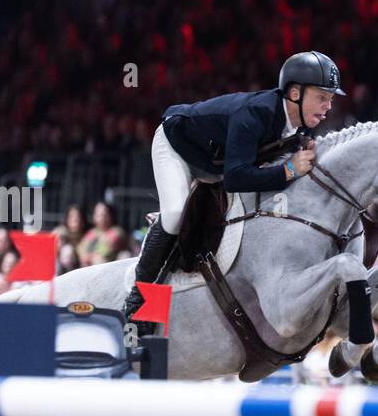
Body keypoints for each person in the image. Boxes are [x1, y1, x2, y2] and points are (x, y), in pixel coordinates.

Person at [123, 50, 345, 328]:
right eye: (322, 97)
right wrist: (289, 170)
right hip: (177, 146)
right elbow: (236, 178)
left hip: (215, 163)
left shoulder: (302, 127)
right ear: (296, 93)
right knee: (177, 214)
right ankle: (136, 297)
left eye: (331, 99)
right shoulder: (255, 113)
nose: (328, 107)